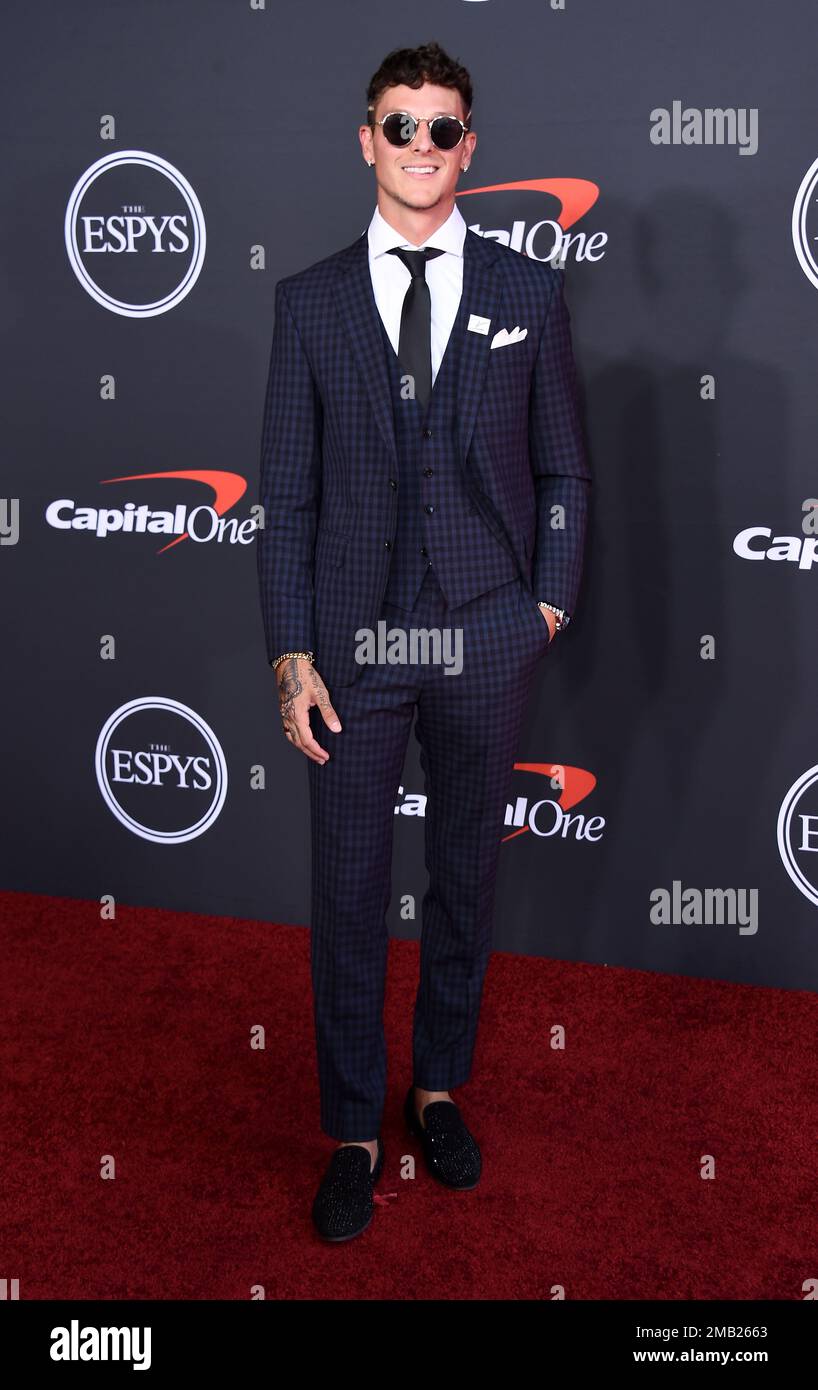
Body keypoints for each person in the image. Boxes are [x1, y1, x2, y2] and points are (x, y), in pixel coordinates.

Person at [256, 40, 590, 1242]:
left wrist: (542, 604)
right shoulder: (309, 301)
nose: (418, 149)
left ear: (468, 147)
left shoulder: (527, 291)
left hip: (485, 632)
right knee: (347, 893)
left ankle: (433, 1086)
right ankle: (352, 1124)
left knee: (465, 878)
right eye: (398, 126)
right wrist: (291, 656)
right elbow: (283, 498)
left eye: (440, 129)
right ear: (365, 140)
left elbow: (563, 467)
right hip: (352, 648)